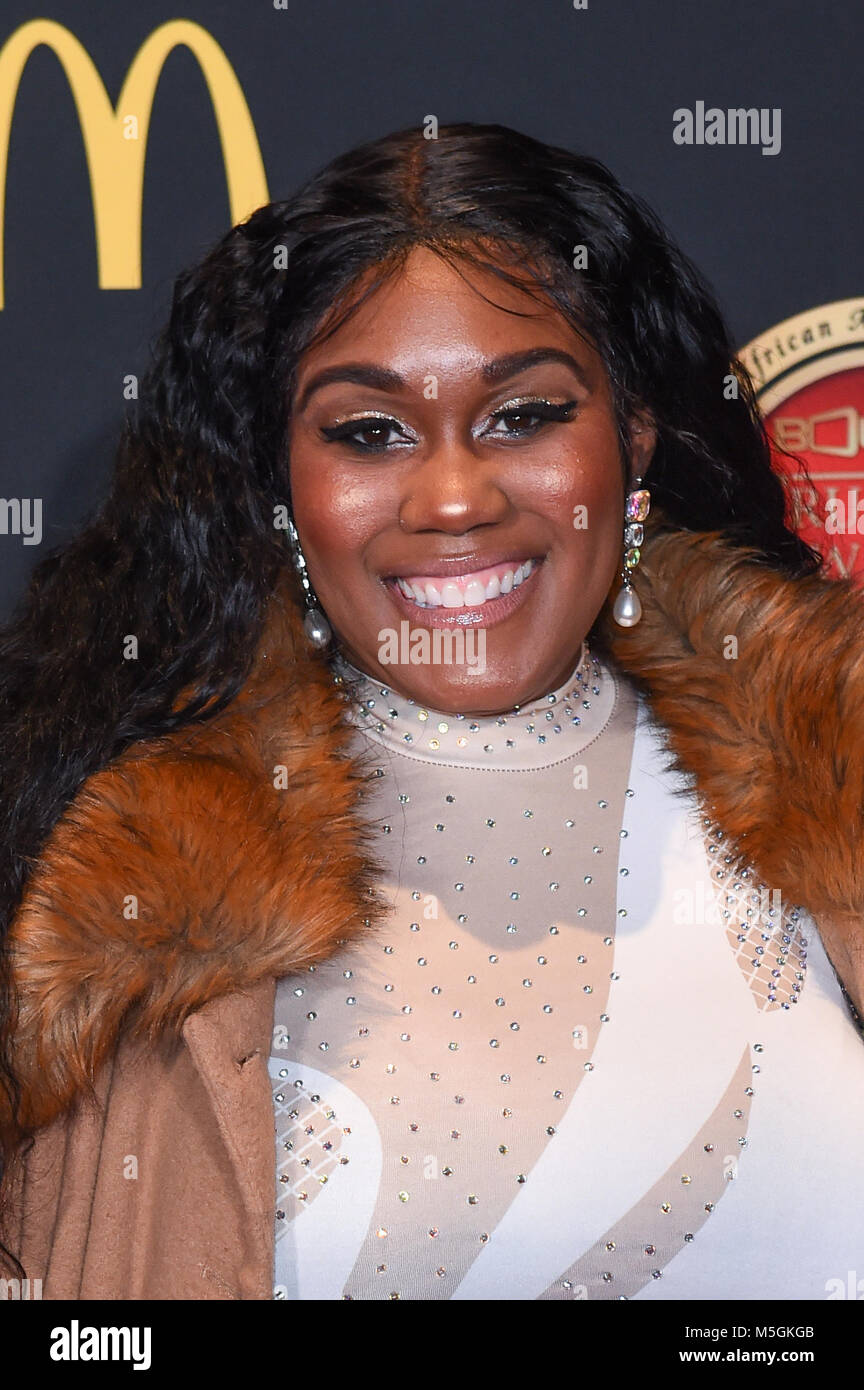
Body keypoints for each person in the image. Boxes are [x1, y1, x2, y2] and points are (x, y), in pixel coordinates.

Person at [1, 121, 863, 1302]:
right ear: (278, 483)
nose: (454, 494)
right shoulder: (113, 896)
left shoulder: (838, 777)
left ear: (636, 437)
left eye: (525, 415)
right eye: (369, 431)